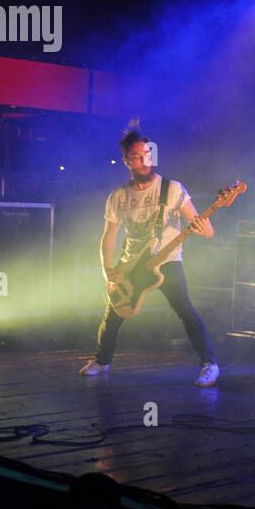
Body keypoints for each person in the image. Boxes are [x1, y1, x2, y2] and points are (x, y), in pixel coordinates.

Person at [80, 125, 221, 386]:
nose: (145, 160)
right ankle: (102, 360)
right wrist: (106, 269)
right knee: (113, 313)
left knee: (185, 310)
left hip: (167, 260)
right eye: (137, 156)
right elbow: (108, 237)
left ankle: (209, 364)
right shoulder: (118, 197)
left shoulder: (173, 189)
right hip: (130, 262)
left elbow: (206, 229)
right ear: (126, 161)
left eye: (148, 153)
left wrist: (205, 230)